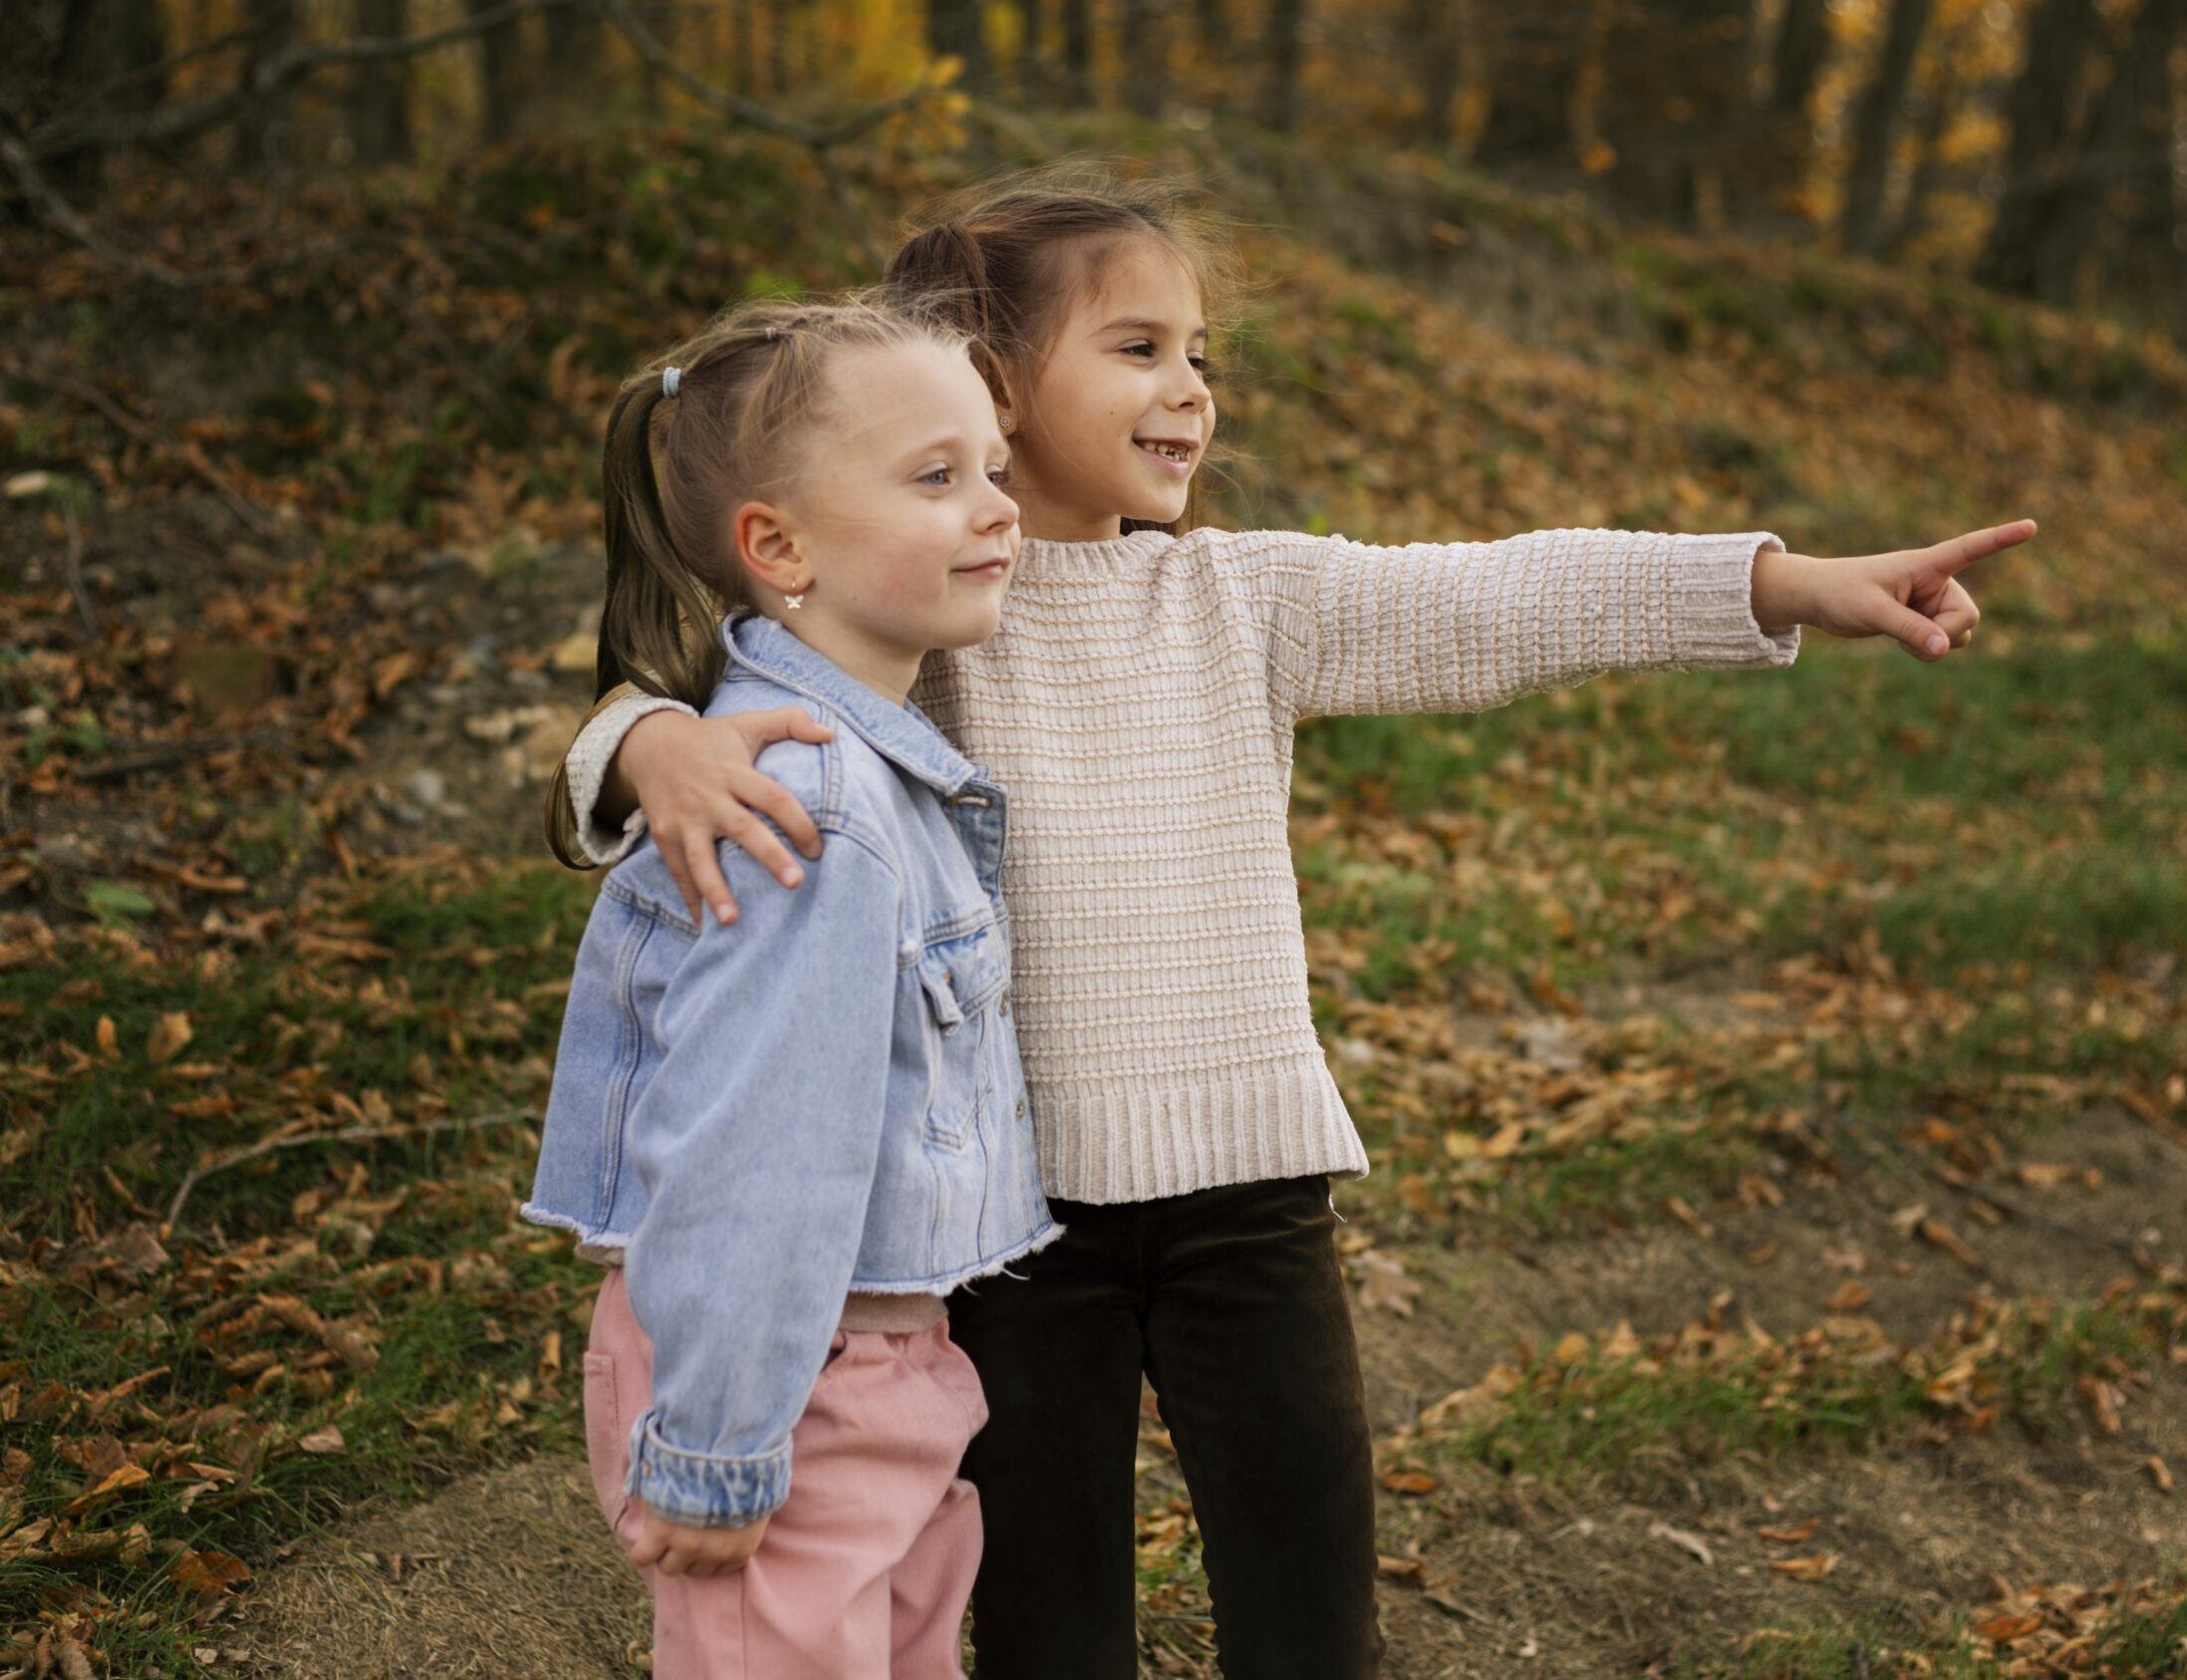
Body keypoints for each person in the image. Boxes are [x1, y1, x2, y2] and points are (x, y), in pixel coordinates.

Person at [547, 170, 2036, 1680]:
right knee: (1052, 1628)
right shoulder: (924, 618)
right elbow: (717, 691)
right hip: (1009, 1236)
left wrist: (1785, 582)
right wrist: (643, 746)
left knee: (1312, 1611)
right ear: (990, 382)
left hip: (1252, 1208)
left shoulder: (1241, 599)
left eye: (1200, 355)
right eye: (1137, 349)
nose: (1190, 391)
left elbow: (1508, 599)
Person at [522, 293, 1051, 1680]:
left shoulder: (864, 767)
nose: (997, 507)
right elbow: (754, 1149)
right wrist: (718, 1441)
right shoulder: (804, 811)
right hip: (787, 1379)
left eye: (995, 465)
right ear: (777, 545)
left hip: (882, 1364)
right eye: (936, 478)